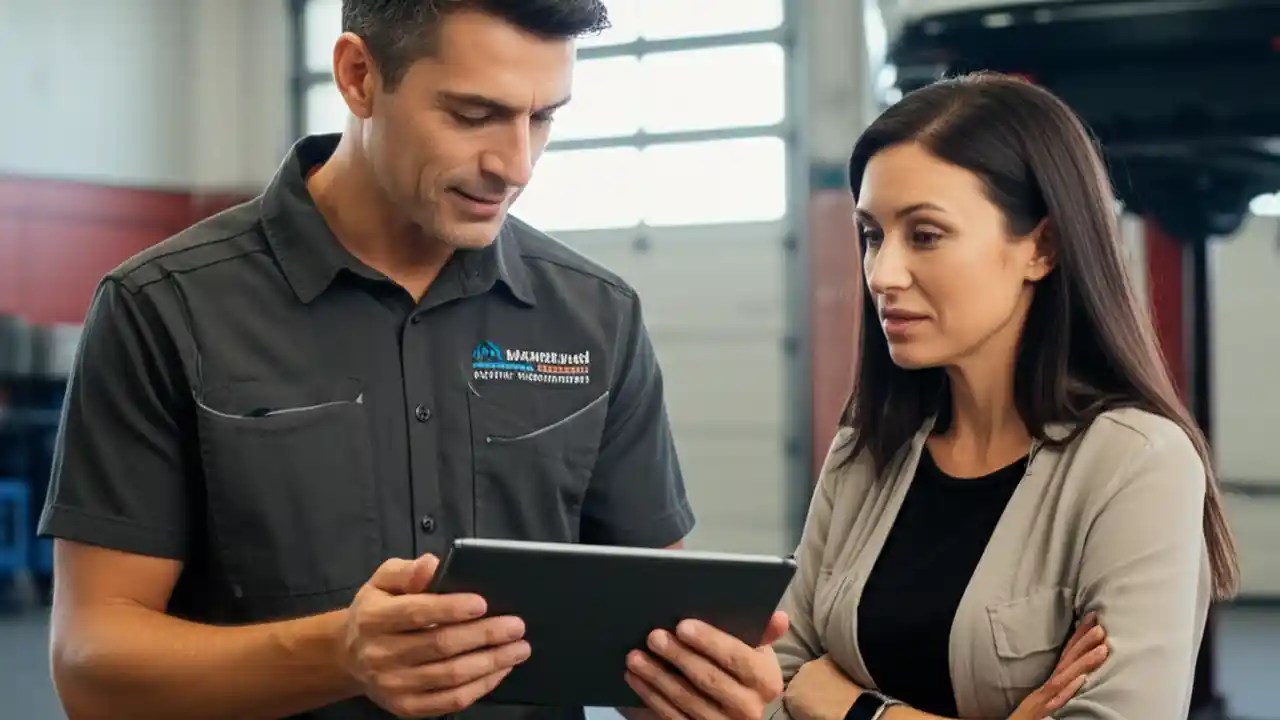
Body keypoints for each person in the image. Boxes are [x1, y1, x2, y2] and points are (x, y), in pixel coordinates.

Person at [37, 2, 784, 719]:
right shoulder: (164, 308)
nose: (515, 163)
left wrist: (699, 687)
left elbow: (638, 641)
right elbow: (91, 671)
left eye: (544, 116)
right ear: (359, 76)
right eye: (473, 114)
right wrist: (338, 654)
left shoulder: (596, 316)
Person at [767, 72, 1240, 720]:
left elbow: (808, 691)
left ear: (1041, 247)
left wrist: (856, 710)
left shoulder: (1137, 464)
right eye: (873, 235)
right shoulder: (867, 448)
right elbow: (778, 680)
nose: (882, 273)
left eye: (925, 235)